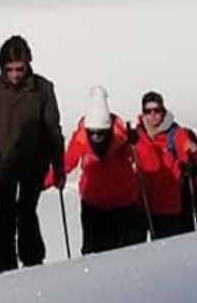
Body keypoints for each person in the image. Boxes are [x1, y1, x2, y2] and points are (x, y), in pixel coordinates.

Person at [0, 34, 65, 274]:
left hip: (34, 163)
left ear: (28, 64)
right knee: (5, 220)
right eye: (10, 69)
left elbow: (53, 129)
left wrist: (58, 166)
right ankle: (4, 269)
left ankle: (33, 263)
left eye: (20, 68)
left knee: (26, 213)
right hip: (0, 163)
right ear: (2, 67)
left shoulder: (43, 88)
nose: (15, 74)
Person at [57, 85, 146, 255]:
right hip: (93, 209)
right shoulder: (81, 140)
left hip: (124, 208)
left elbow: (144, 159)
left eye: (101, 133)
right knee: (93, 254)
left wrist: (137, 142)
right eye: (93, 133)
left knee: (126, 254)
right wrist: (46, 179)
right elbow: (66, 164)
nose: (96, 137)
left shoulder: (123, 138)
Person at [130, 90, 197, 239]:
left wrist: (192, 158)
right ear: (143, 113)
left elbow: (196, 155)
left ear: (163, 111)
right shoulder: (136, 135)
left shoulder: (176, 134)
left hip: (167, 208)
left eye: (157, 110)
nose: (153, 115)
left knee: (166, 254)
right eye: (148, 111)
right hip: (141, 206)